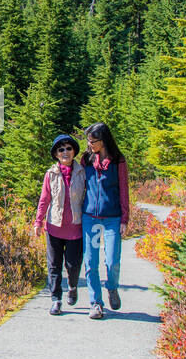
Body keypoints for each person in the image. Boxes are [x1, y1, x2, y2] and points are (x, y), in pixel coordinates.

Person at [80, 122, 130, 320]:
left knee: (112, 261)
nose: (90, 144)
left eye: (94, 141)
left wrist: (124, 218)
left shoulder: (118, 160)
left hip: (112, 219)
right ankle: (96, 303)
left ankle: (112, 287)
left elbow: (124, 190)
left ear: (104, 140)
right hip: (90, 218)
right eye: (89, 141)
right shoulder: (86, 159)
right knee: (91, 262)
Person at [32, 133, 86, 316]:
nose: (65, 152)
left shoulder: (82, 172)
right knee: (54, 265)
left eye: (69, 148)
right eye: (61, 149)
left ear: (74, 152)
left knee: (73, 265)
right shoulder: (51, 174)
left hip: (76, 227)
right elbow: (44, 199)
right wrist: (38, 222)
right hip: (54, 226)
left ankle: (72, 286)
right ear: (56, 154)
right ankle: (56, 300)